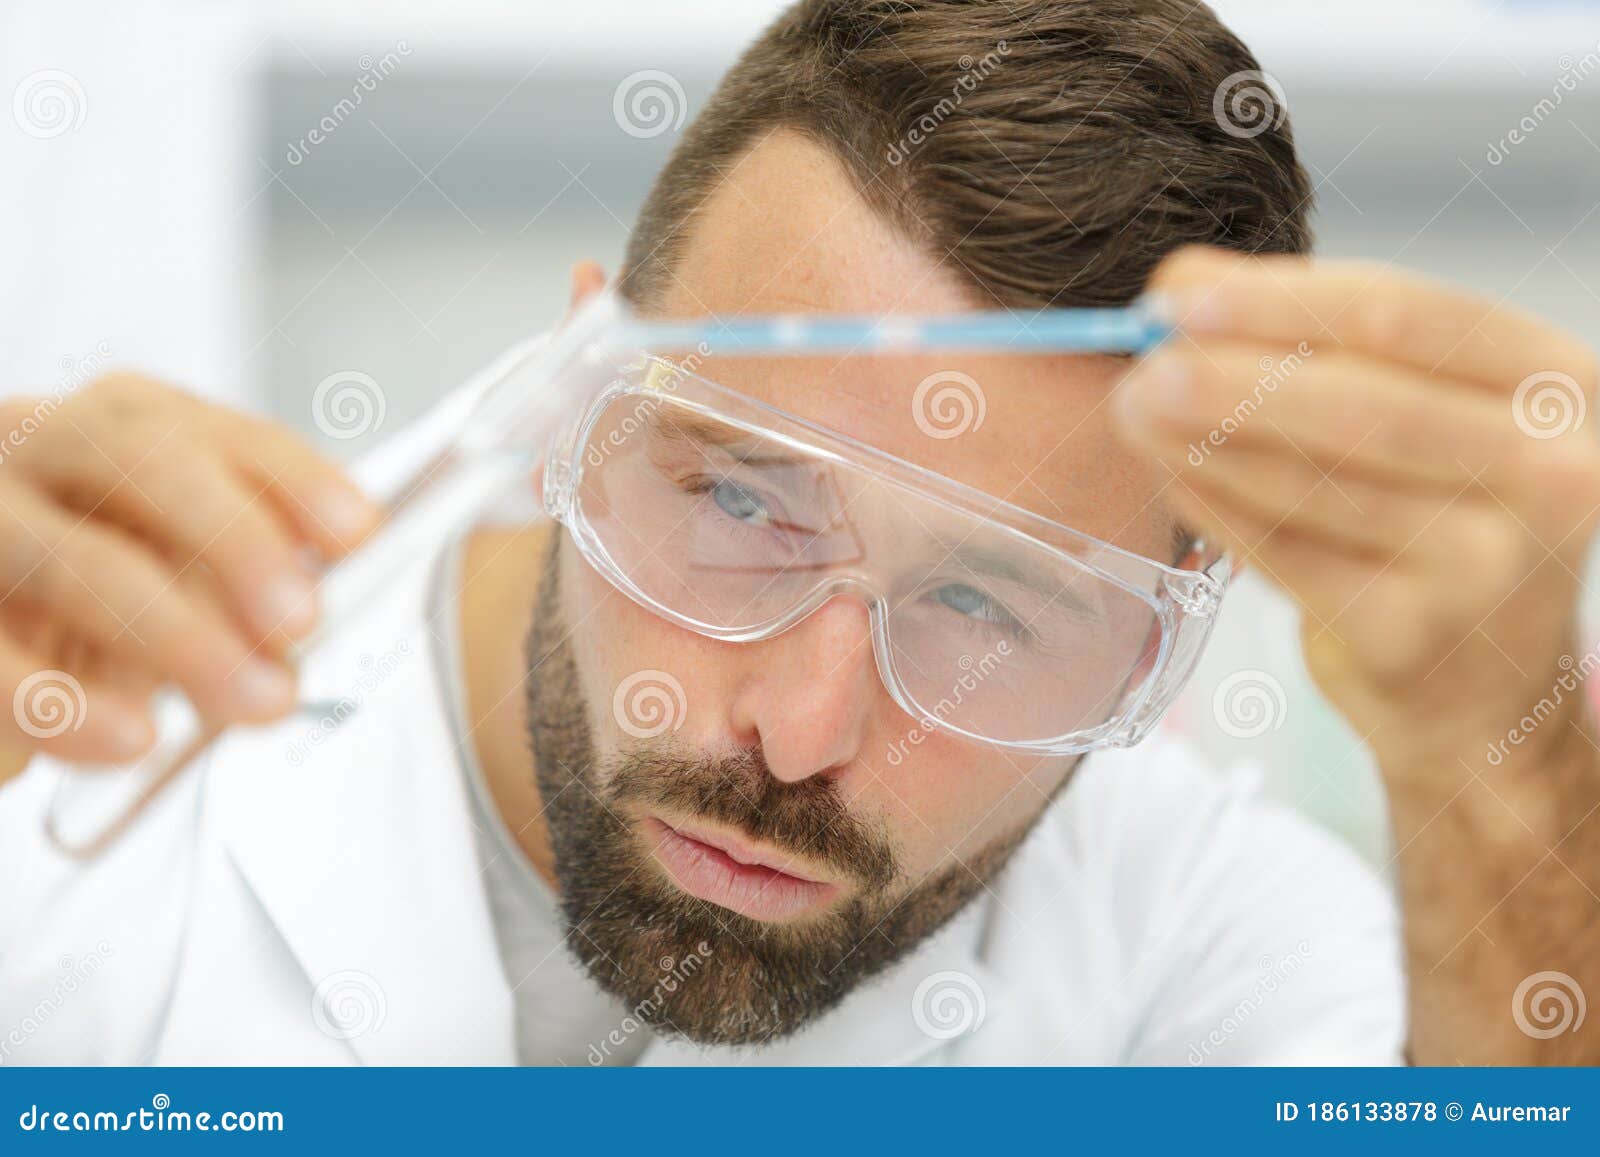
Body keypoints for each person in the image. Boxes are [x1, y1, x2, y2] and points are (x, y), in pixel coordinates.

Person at [1, 0, 1596, 1066]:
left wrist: (1501, 767)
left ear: (1162, 635)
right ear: (571, 400)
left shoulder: (1194, 939)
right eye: (743, 501)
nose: (801, 728)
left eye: (988, 605)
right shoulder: (73, 756)